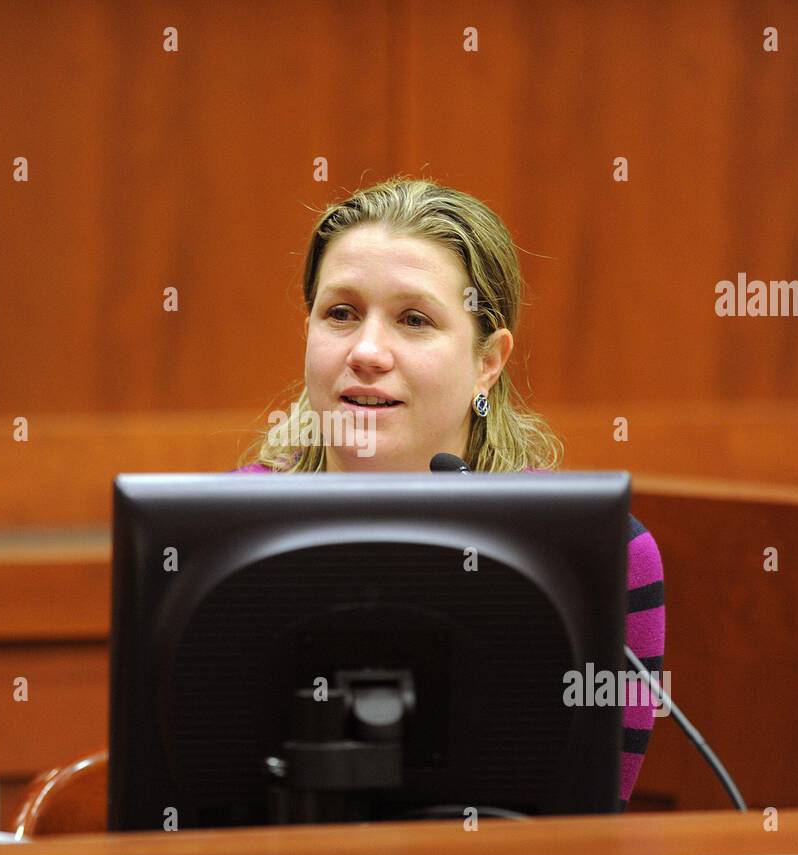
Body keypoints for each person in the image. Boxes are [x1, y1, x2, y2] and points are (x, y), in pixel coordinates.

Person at [232, 175, 665, 810]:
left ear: (488, 360)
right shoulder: (222, 529)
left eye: (414, 320)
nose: (367, 351)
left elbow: (591, 820)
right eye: (341, 313)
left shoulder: (606, 553)